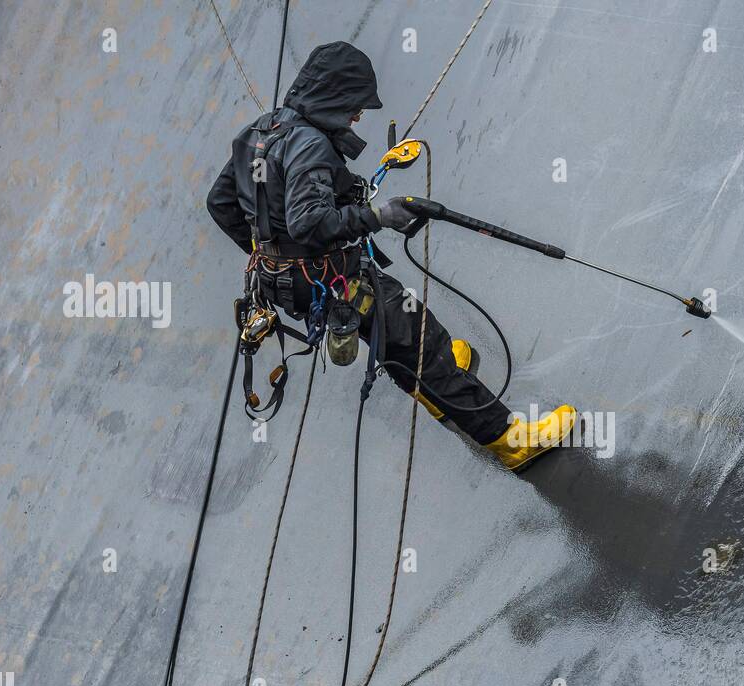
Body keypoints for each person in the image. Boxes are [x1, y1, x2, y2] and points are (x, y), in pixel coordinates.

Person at [206, 41, 574, 471]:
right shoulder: (309, 145)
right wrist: (378, 216)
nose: (358, 116)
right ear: (334, 95)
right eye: (355, 106)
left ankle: (437, 381)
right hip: (326, 276)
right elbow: (309, 222)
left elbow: (221, 203)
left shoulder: (258, 131)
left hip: (282, 280)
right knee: (414, 344)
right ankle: (507, 439)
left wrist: (272, 255)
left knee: (408, 322)